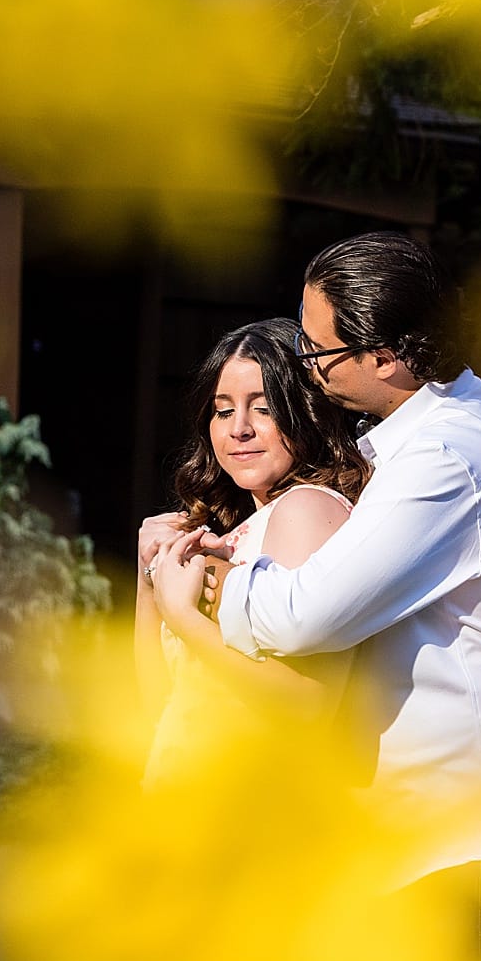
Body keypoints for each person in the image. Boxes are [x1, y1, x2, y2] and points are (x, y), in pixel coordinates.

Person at [150, 232, 481, 961]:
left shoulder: (446, 457)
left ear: (384, 355)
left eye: (319, 354)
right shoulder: (420, 440)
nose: (310, 372)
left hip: (475, 840)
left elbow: (301, 618)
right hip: (431, 842)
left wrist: (198, 596)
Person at [135, 318, 369, 789]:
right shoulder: (236, 528)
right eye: (223, 412)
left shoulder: (306, 511)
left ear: (307, 411)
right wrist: (149, 582)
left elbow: (307, 707)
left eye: (262, 409)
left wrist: (185, 618)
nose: (239, 429)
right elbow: (161, 700)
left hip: (250, 811)